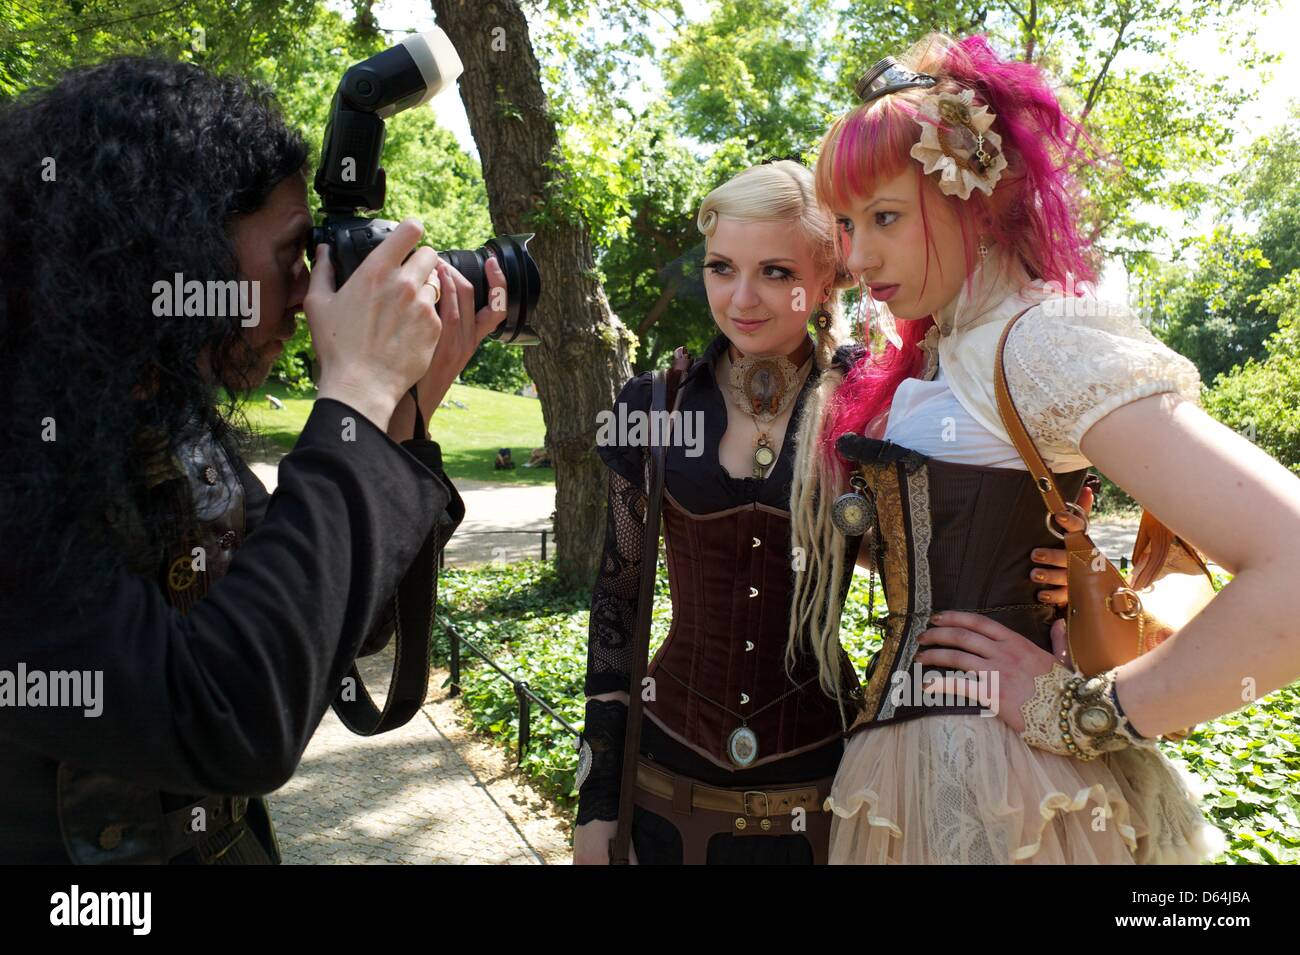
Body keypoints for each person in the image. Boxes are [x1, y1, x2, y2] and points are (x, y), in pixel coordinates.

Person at [788, 33, 1300, 864]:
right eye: (846, 224)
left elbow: (1294, 565)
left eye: (884, 217)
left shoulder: (1040, 344)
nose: (857, 256)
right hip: (914, 777)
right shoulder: (943, 348)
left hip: (1006, 794)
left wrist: (1085, 711)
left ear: (976, 198)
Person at [0, 57, 505, 863]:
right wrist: (359, 395)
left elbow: (336, 620)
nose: (311, 298)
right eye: (289, 259)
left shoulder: (160, 413)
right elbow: (228, 718)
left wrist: (401, 419)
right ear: (167, 252)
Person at [571, 160, 1073, 864]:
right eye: (721, 267)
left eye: (776, 272)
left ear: (829, 277)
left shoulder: (880, 409)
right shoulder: (656, 407)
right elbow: (618, 602)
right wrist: (596, 803)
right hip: (663, 792)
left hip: (825, 794)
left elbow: (954, 544)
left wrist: (1060, 572)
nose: (742, 297)